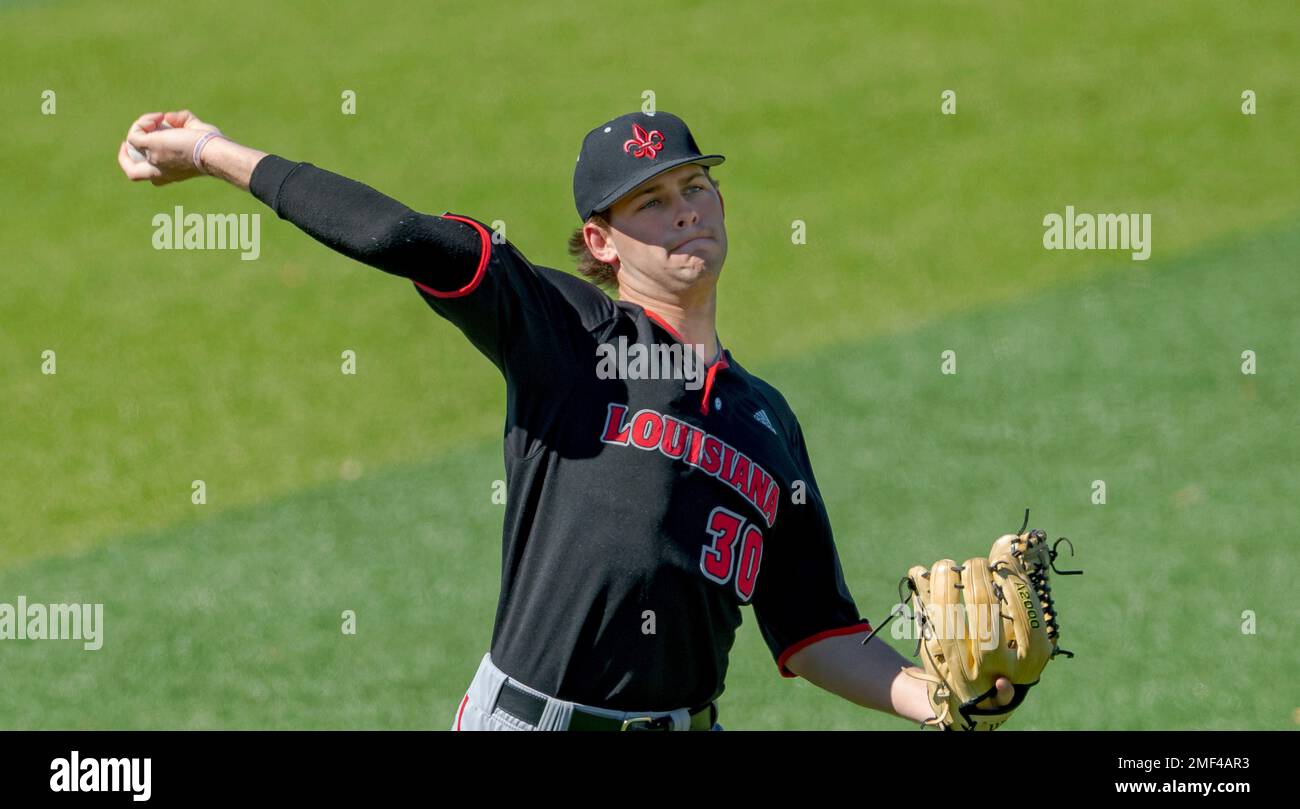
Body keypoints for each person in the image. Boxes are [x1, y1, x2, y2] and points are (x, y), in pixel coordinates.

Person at [118, 108, 1014, 731]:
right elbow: (398, 237)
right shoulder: (562, 332)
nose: (684, 211)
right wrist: (212, 152)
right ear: (600, 241)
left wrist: (939, 699)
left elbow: (816, 629)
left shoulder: (766, 419)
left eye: (695, 185)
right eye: (650, 202)